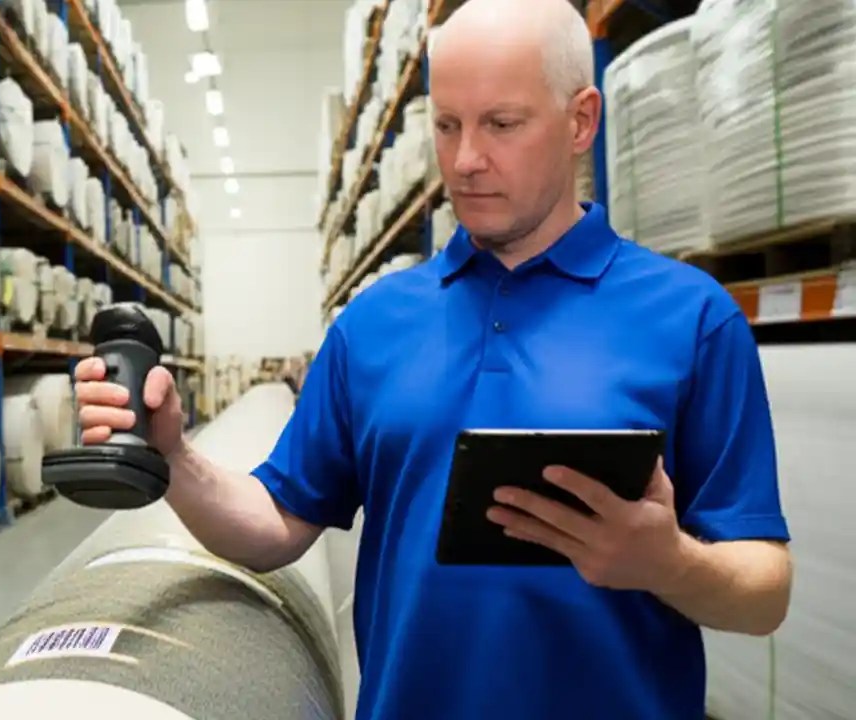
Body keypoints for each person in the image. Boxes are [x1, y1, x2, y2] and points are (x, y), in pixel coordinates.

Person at [73, 0, 793, 717]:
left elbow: (766, 590)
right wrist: (174, 458)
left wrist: (669, 564)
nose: (467, 160)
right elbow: (275, 524)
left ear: (581, 120)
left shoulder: (692, 320)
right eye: (446, 125)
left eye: (502, 124)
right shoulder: (375, 324)